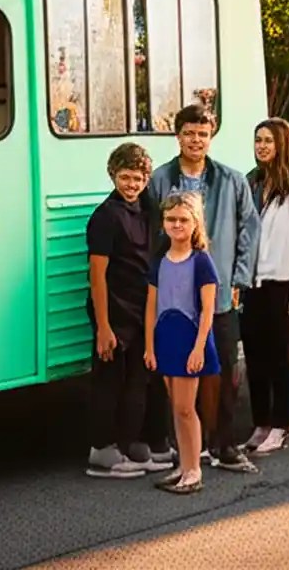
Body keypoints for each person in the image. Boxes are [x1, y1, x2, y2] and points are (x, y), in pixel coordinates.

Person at [146, 104, 260, 474]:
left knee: (224, 370)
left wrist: (240, 277)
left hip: (220, 292)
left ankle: (224, 445)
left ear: (211, 137)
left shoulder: (231, 180)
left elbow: (249, 230)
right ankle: (183, 449)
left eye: (203, 134)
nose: (196, 140)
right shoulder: (160, 180)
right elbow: (150, 235)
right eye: (189, 133)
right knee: (175, 372)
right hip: (174, 298)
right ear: (177, 136)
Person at [84, 142, 172, 477]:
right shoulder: (105, 217)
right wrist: (103, 327)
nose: (131, 185)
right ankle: (102, 451)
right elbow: (97, 276)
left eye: (137, 178)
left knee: (138, 382)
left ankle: (132, 444)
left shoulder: (146, 209)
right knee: (108, 383)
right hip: (113, 311)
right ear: (112, 175)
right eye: (125, 177)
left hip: (140, 310)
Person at [242, 118, 289, 455]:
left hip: (282, 285)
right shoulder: (254, 185)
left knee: (279, 359)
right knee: (255, 359)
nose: (262, 147)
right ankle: (261, 422)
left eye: (268, 141)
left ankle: (282, 423)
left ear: (282, 145)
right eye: (258, 140)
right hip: (253, 284)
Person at [144, 192, 222, 495]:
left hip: (190, 339)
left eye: (183, 219)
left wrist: (199, 347)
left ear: (195, 223)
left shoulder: (201, 261)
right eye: (171, 219)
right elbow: (151, 305)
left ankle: (194, 470)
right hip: (166, 337)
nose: (177, 224)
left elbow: (207, 309)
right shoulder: (159, 261)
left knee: (185, 407)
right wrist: (150, 346)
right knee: (176, 409)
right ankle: (183, 463)